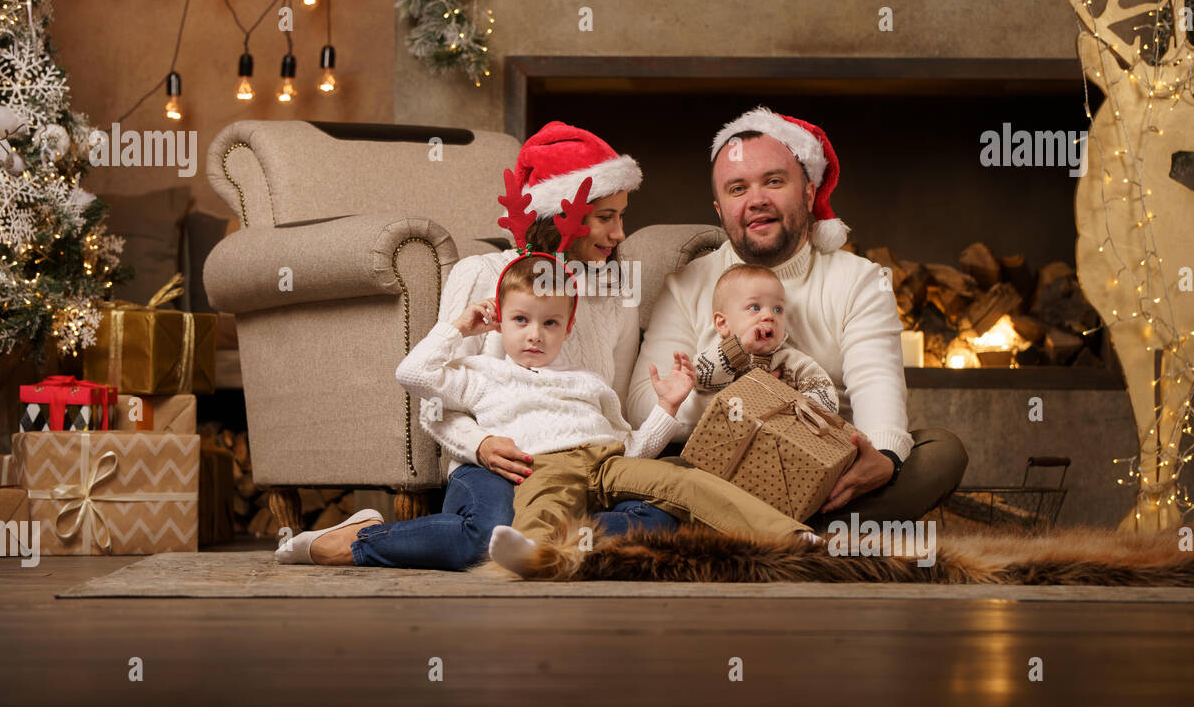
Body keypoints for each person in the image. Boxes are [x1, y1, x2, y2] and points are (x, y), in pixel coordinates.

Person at [276, 121, 678, 567]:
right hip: (493, 468)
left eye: (622, 215)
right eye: (606, 217)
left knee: (663, 518)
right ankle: (356, 541)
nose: (620, 234)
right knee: (488, 536)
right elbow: (433, 400)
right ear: (559, 214)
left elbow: (611, 407)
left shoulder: (614, 293)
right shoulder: (481, 274)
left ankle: (550, 545)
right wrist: (481, 445)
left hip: (578, 467)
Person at [627, 106, 968, 530]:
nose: (756, 200)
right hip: (716, 469)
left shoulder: (858, 278)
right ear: (720, 210)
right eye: (737, 189)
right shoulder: (686, 284)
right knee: (655, 472)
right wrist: (746, 402)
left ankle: (757, 533)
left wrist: (885, 459)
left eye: (773, 181)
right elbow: (643, 405)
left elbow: (877, 384)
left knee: (941, 453)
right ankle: (804, 537)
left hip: (825, 476)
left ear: (808, 193)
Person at [390, 254, 819, 578]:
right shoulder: (482, 374)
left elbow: (635, 447)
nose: (536, 334)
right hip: (542, 464)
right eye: (521, 320)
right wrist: (460, 328)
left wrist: (667, 407)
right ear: (500, 321)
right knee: (540, 510)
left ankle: (789, 534)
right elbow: (412, 374)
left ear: (567, 327)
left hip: (608, 461)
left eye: (551, 323)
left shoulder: (587, 381)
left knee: (683, 479)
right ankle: (534, 557)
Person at [694, 262, 839, 412]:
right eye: (754, 307)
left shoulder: (790, 362)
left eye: (778, 309)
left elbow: (826, 396)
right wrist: (739, 348)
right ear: (723, 323)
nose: (769, 316)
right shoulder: (716, 356)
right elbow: (698, 380)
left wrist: (798, 409)